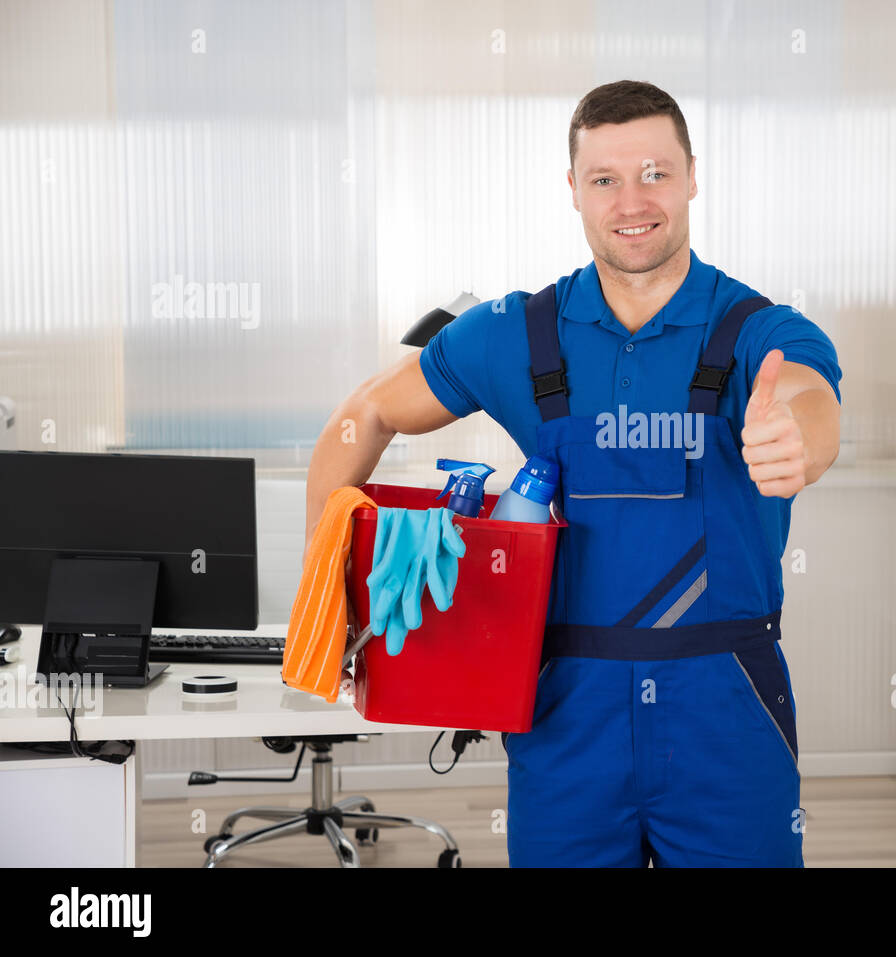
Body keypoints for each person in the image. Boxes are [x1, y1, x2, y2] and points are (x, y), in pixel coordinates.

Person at [306, 80, 842, 867]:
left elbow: (809, 396)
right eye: (605, 179)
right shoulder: (516, 333)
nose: (633, 200)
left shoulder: (757, 328)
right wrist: (332, 590)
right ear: (574, 190)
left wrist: (797, 436)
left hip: (727, 708)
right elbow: (366, 414)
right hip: (566, 714)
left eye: (655, 172)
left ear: (693, 174)